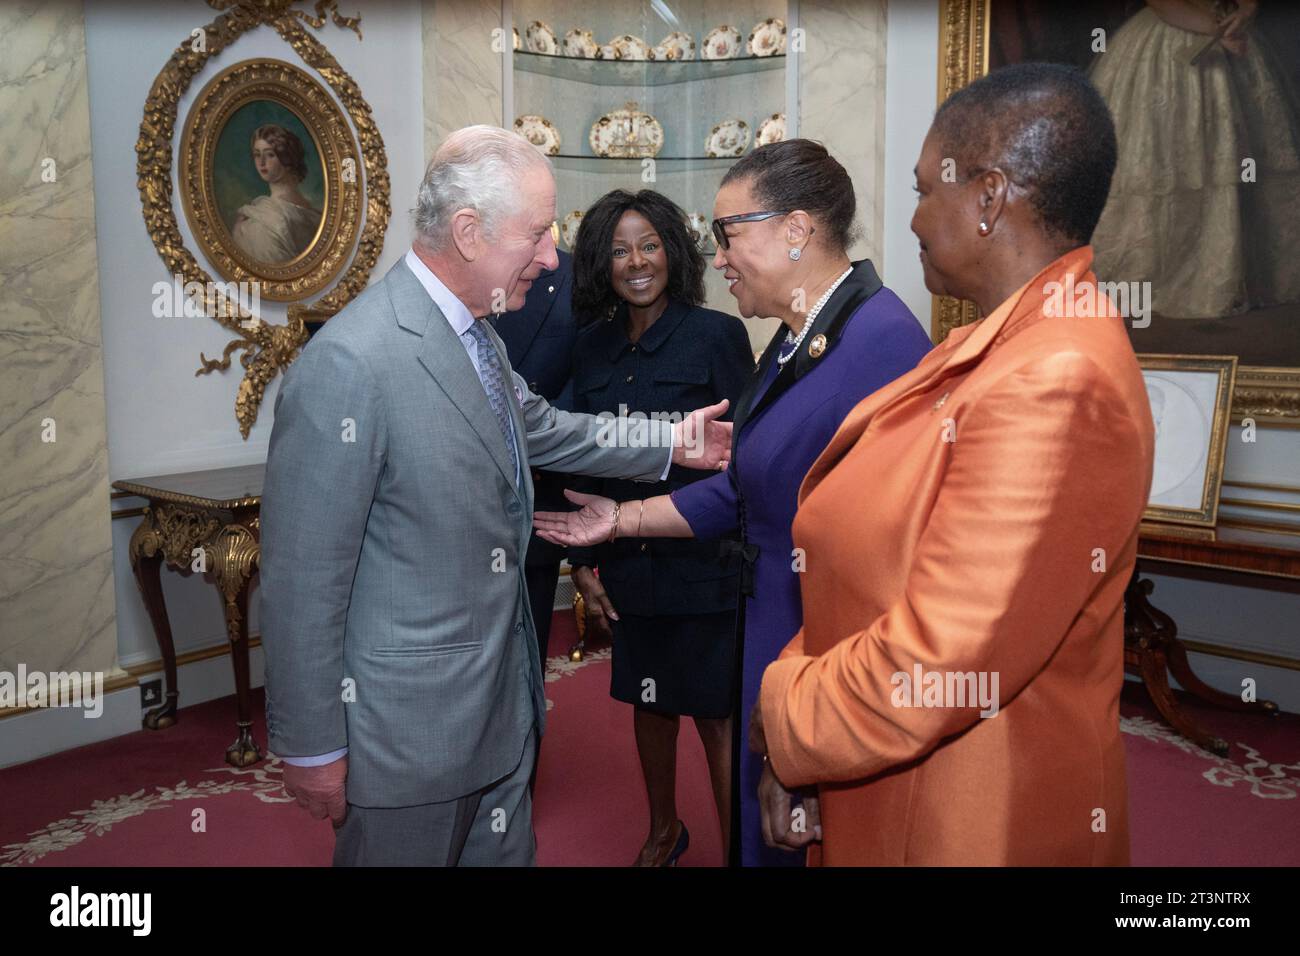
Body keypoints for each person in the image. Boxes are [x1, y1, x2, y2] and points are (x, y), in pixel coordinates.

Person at [260, 125, 735, 867]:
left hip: (505, 714)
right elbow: (300, 582)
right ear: (469, 232)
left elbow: (545, 428)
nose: (554, 257)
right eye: (540, 234)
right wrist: (311, 741)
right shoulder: (350, 365)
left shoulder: (477, 335)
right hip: (406, 741)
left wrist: (673, 442)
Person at [750, 63, 1156, 865]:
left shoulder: (1056, 378)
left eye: (920, 190)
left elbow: (940, 661)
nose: (910, 222)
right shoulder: (996, 340)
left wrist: (783, 711)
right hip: (887, 772)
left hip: (970, 816)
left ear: (988, 196)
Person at [534, 140, 932, 867]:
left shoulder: (882, 345)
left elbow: (892, 567)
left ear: (795, 229)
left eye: (728, 234)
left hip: (817, 652)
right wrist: (618, 520)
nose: (716, 258)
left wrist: (814, 730)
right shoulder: (798, 338)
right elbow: (743, 481)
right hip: (774, 635)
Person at [565, 189, 754, 866]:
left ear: (672, 252)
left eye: (648, 245)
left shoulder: (717, 335)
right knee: (649, 702)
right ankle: (664, 830)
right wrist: (582, 567)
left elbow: (749, 457)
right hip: (628, 564)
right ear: (600, 264)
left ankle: (740, 849)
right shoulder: (588, 349)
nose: (635, 262)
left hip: (705, 560)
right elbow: (576, 461)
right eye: (618, 250)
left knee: (716, 712)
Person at [1088, 0, 1300, 316]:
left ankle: (1230, 276)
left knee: (1239, 158)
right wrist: (1218, 29)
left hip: (1231, 34)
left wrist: (1244, 12)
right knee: (1163, 160)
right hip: (1167, 44)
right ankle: (1155, 276)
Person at [494, 248, 577, 682]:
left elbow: (587, 377)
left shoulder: (568, 274)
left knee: (527, 668)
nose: (548, 247)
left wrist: (670, 441)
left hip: (537, 501)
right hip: (452, 520)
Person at [231, 124, 322, 263]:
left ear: (286, 158)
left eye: (270, 155)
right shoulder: (260, 212)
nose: (261, 162)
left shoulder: (260, 221)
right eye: (257, 155)